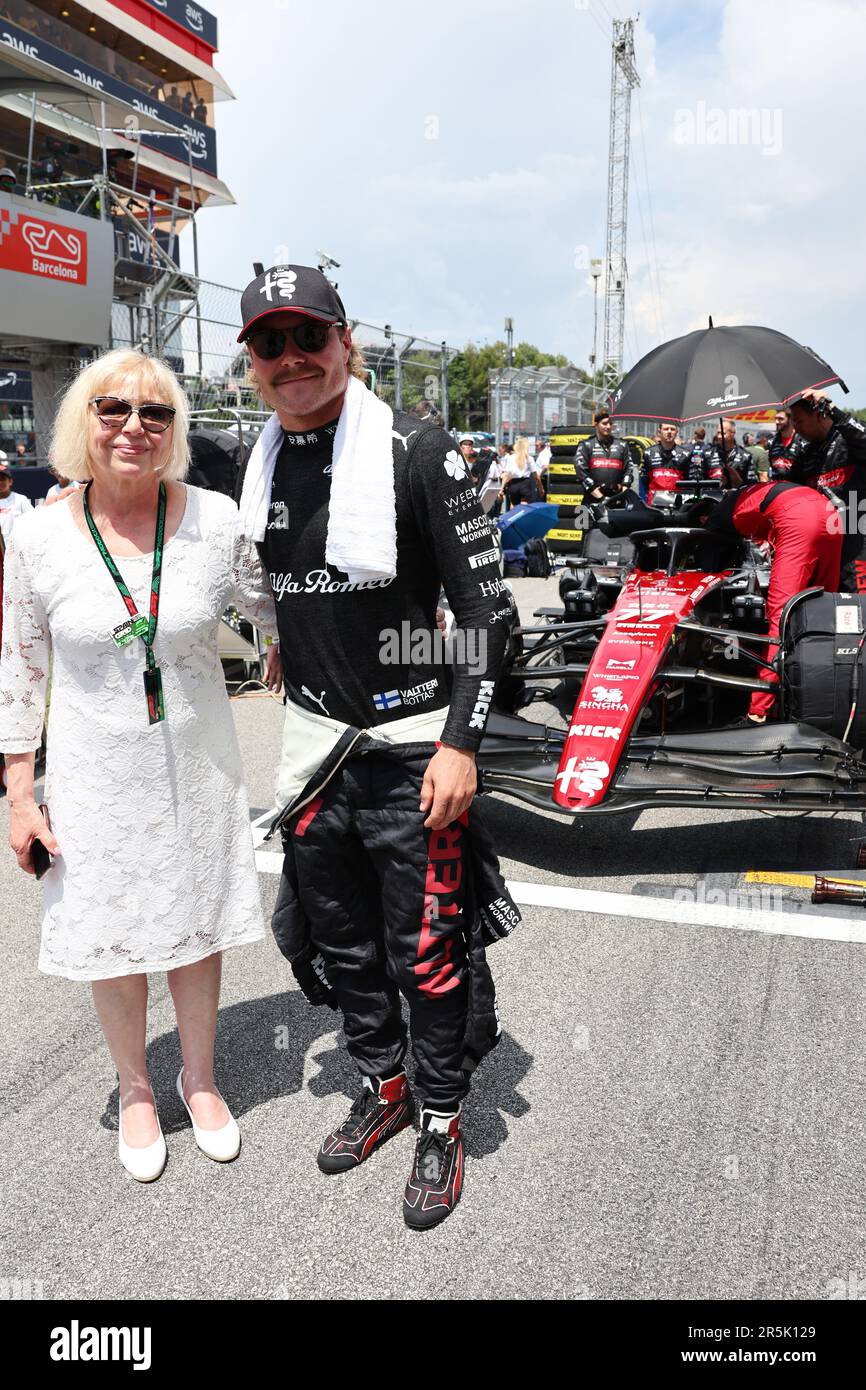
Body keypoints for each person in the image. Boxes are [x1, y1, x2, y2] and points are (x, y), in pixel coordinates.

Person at [235, 263, 517, 1229]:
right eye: (269, 344)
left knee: (427, 953)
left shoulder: (417, 450)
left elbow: (487, 612)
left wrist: (461, 744)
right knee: (347, 949)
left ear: (347, 343)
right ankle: (385, 1082)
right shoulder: (256, 459)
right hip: (316, 756)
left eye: (309, 336)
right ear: (252, 365)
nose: (292, 359)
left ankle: (442, 1117)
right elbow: (267, 584)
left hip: (409, 753)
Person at [0, 349, 279, 1184]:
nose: (134, 426)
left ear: (175, 431)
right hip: (92, 777)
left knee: (195, 926)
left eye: (155, 413)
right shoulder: (39, 534)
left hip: (199, 766)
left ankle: (199, 1079)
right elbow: (19, 667)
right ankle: (135, 1089)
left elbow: (275, 605)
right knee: (114, 936)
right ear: (82, 422)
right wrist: (20, 793)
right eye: (113, 409)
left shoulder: (218, 520)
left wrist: (293, 655)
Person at [700, 480, 842, 725]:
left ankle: (758, 713)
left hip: (799, 521)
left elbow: (711, 551)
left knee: (780, 617)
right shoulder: (765, 490)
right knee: (824, 613)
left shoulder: (729, 506)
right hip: (833, 517)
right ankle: (829, 702)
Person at [787, 390, 866, 592]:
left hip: (856, 540)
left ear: (818, 414)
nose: (795, 428)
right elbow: (786, 488)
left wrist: (830, 407)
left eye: (799, 421)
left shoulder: (848, 441)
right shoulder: (807, 454)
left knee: (859, 609)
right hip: (823, 547)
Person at [574, 410, 634, 503]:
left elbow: (629, 470)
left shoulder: (622, 445)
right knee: (583, 518)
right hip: (592, 500)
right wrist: (601, 498)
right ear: (596, 424)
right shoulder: (586, 445)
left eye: (610, 423)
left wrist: (623, 493)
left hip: (617, 499)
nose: (608, 427)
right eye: (604, 423)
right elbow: (582, 474)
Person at [641, 421, 690, 502]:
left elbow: (688, 482)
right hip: (654, 504)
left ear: (677, 432)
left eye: (673, 429)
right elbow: (644, 480)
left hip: (678, 503)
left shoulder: (685, 454)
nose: (669, 432)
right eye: (666, 429)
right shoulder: (648, 453)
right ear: (659, 432)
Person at [703, 421, 756, 486]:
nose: (719, 436)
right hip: (713, 494)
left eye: (723, 433)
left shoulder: (745, 456)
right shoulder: (707, 454)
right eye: (718, 433)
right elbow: (700, 481)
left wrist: (737, 481)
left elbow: (751, 484)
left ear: (732, 433)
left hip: (737, 494)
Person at [501, 435, 543, 506]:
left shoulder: (510, 458)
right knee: (525, 506)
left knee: (514, 506)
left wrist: (501, 488)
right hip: (525, 485)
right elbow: (536, 476)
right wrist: (541, 488)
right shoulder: (529, 458)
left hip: (513, 485)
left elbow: (506, 475)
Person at [0, 461, 32, 542]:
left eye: (2, 479)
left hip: (16, 548)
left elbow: (32, 521)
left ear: (10, 481)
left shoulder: (21, 499)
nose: (0, 482)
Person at [768, 408, 800, 479]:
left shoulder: (801, 441)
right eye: (775, 418)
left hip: (796, 486)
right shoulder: (772, 442)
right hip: (777, 486)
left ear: (790, 419)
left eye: (780, 419)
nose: (777, 422)